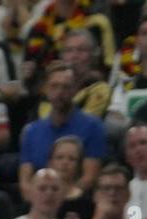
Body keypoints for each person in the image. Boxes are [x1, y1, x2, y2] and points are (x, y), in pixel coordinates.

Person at [19, 62, 107, 203]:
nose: (60, 92)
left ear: (75, 90)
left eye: (66, 87)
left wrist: (60, 200)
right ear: (45, 89)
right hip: (38, 205)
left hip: (77, 203)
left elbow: (90, 178)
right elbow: (25, 182)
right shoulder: (31, 131)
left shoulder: (92, 126)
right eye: (54, 86)